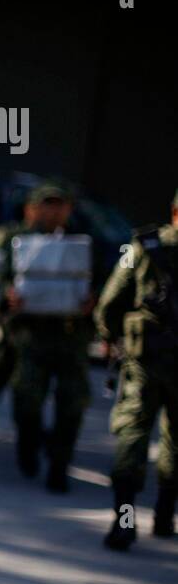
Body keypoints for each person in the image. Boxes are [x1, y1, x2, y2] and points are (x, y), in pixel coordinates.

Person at [0, 183, 94, 492]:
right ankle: (28, 445)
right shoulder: (16, 240)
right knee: (26, 401)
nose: (53, 211)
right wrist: (8, 299)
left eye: (60, 204)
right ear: (34, 208)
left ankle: (59, 467)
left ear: (68, 209)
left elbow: (104, 280)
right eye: (47, 204)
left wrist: (93, 302)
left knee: (71, 405)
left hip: (72, 337)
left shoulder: (85, 241)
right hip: (31, 335)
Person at [95, 188, 178, 550]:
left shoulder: (140, 247)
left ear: (174, 211)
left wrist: (111, 336)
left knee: (133, 434)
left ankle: (124, 520)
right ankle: (163, 515)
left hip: (144, 359)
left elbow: (111, 302)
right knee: (176, 442)